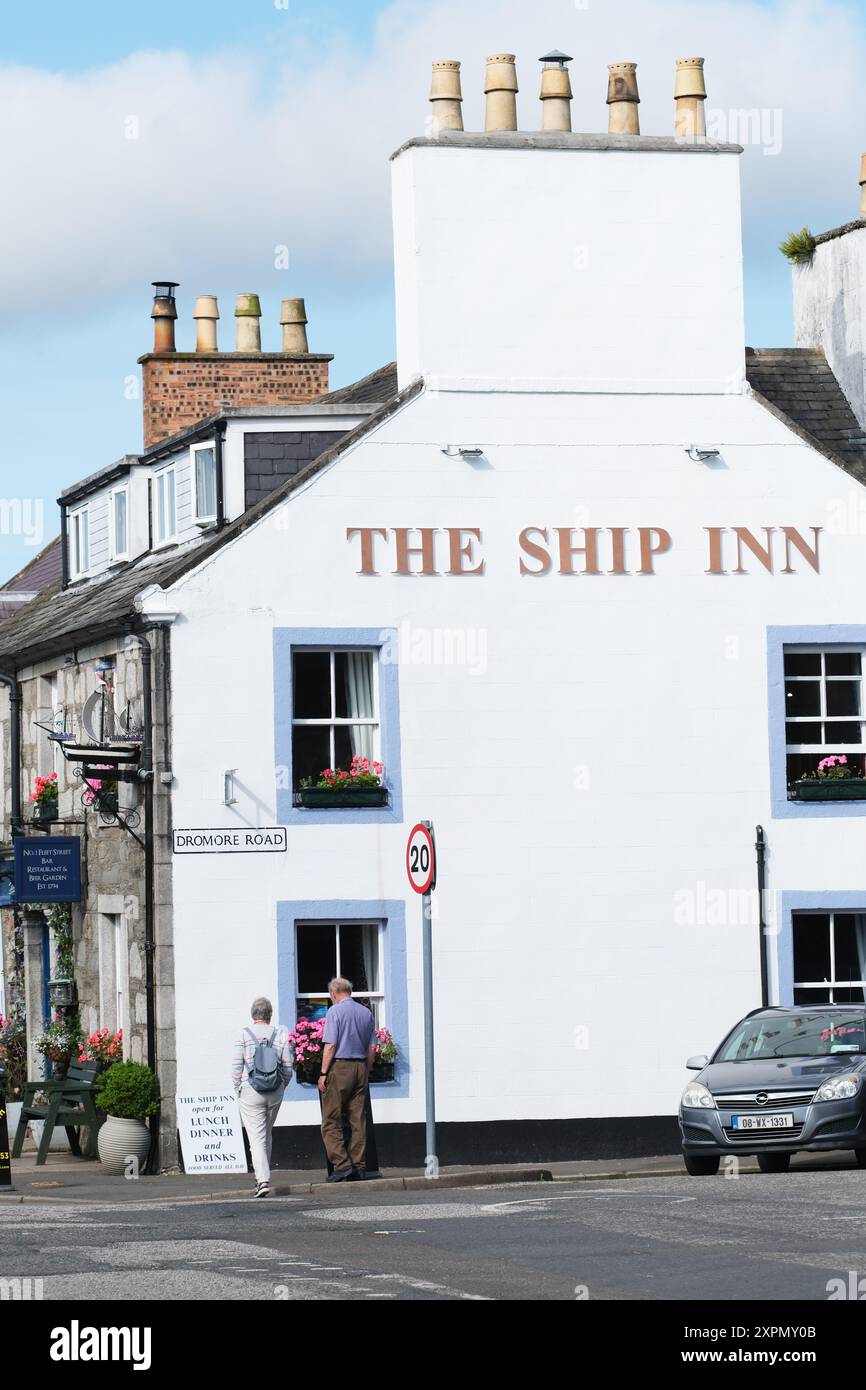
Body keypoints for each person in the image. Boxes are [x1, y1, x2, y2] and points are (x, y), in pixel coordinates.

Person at [231, 996, 293, 1197]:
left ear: (252, 1015)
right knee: (266, 1134)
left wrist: (237, 1087)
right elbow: (288, 1067)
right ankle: (262, 1177)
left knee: (256, 1138)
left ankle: (262, 1181)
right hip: (275, 1090)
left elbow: (236, 1066)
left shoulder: (243, 1035)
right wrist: (282, 1085)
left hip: (251, 1091)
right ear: (270, 1014)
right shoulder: (280, 1034)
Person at [318, 977, 376, 1182]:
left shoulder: (335, 1011)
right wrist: (365, 1071)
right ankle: (359, 1166)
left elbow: (331, 1045)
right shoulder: (366, 1012)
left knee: (330, 1120)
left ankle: (342, 1166)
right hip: (360, 1067)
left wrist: (323, 1072)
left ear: (334, 993)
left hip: (340, 1067)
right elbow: (372, 1048)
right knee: (358, 1120)